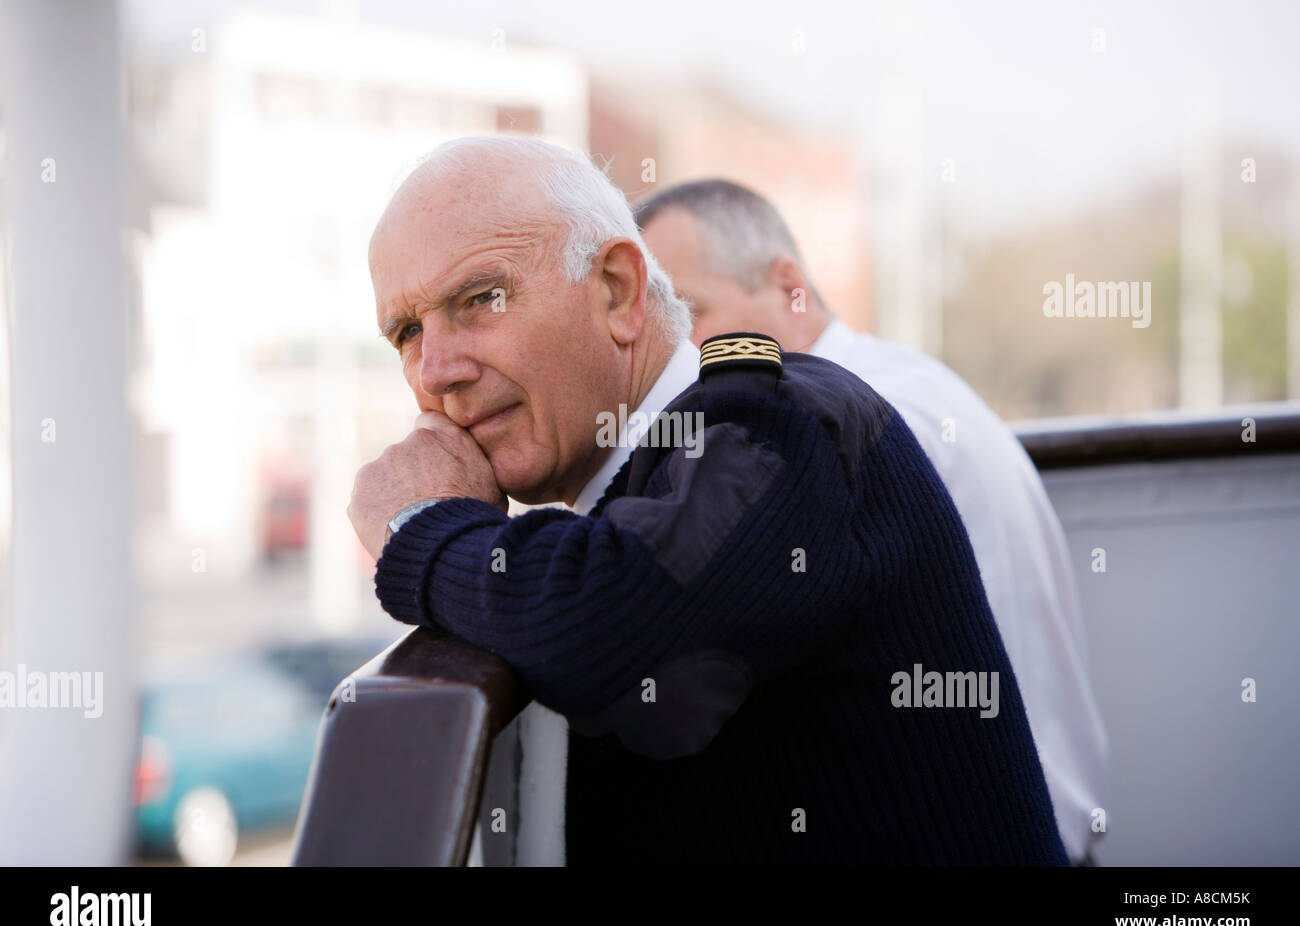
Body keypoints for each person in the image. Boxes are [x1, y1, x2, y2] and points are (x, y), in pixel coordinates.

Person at [349, 135, 1068, 865]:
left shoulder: (784, 418)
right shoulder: (686, 450)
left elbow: (622, 632)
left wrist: (421, 528)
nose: (436, 371)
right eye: (407, 331)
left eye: (480, 300)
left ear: (618, 292)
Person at [636, 179, 1107, 864]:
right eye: (663, 326)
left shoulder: (852, 424)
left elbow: (670, 619)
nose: (677, 353)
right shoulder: (906, 388)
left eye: (693, 313)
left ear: (788, 285)